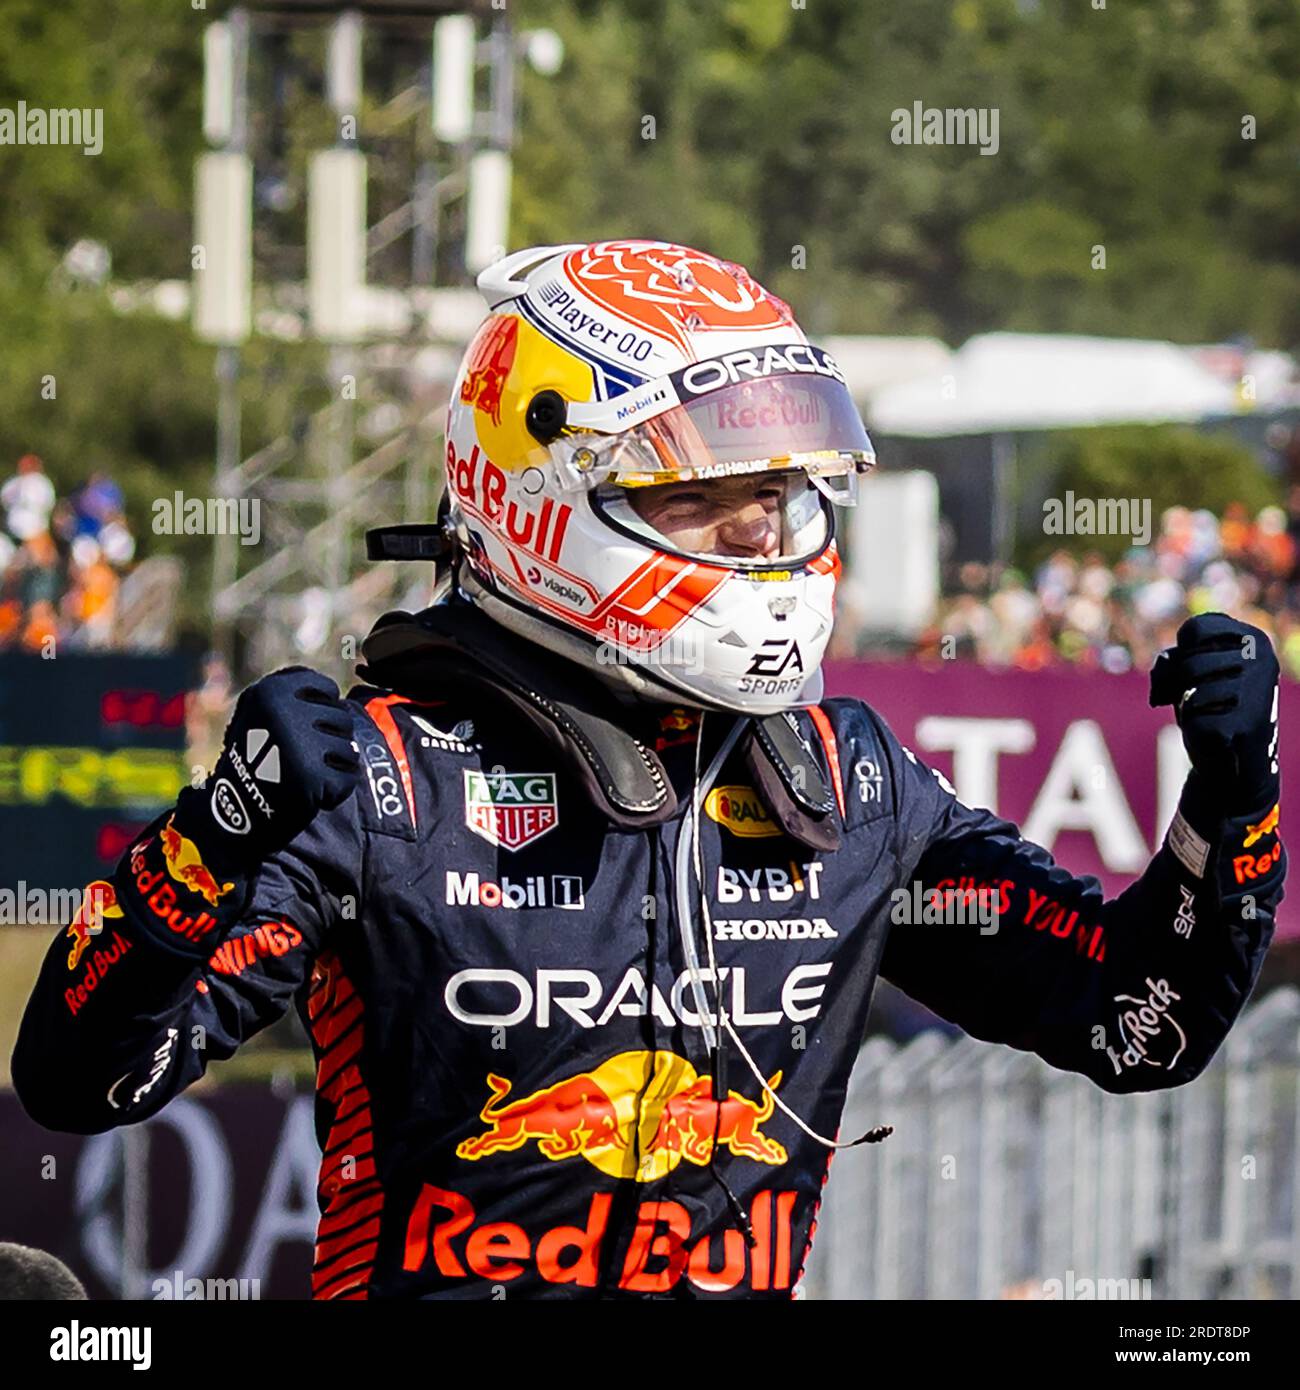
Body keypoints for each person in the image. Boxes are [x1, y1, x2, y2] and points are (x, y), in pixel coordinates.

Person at [12, 240, 1285, 1300]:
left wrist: (1230, 803)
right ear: (540, 494)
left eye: (785, 485)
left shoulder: (848, 786)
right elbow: (81, 1077)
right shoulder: (380, 781)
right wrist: (214, 837)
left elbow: (1139, 1024)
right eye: (708, 488)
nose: (763, 527)